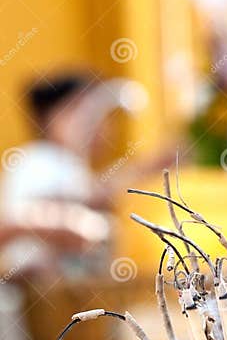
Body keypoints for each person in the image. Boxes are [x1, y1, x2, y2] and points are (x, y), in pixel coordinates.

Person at [1, 72, 174, 275]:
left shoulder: (68, 165)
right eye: (76, 110)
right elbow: (37, 210)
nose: (92, 122)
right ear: (47, 119)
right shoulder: (40, 160)